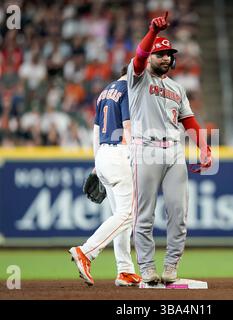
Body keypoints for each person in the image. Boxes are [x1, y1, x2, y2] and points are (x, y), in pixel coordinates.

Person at [127, 12, 212, 283]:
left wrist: (204, 148)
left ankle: (171, 265)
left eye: (168, 55)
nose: (165, 58)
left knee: (178, 213)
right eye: (159, 54)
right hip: (146, 150)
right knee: (145, 215)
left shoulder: (177, 88)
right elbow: (139, 57)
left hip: (175, 152)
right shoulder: (138, 79)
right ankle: (147, 267)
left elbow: (189, 121)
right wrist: (152, 31)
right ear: (151, 57)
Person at [69, 66, 141, 287]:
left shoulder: (104, 92)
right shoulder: (129, 89)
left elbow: (96, 131)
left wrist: (97, 165)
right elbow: (128, 128)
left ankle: (125, 271)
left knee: (121, 216)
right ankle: (86, 251)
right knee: (128, 215)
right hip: (121, 154)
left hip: (104, 155)